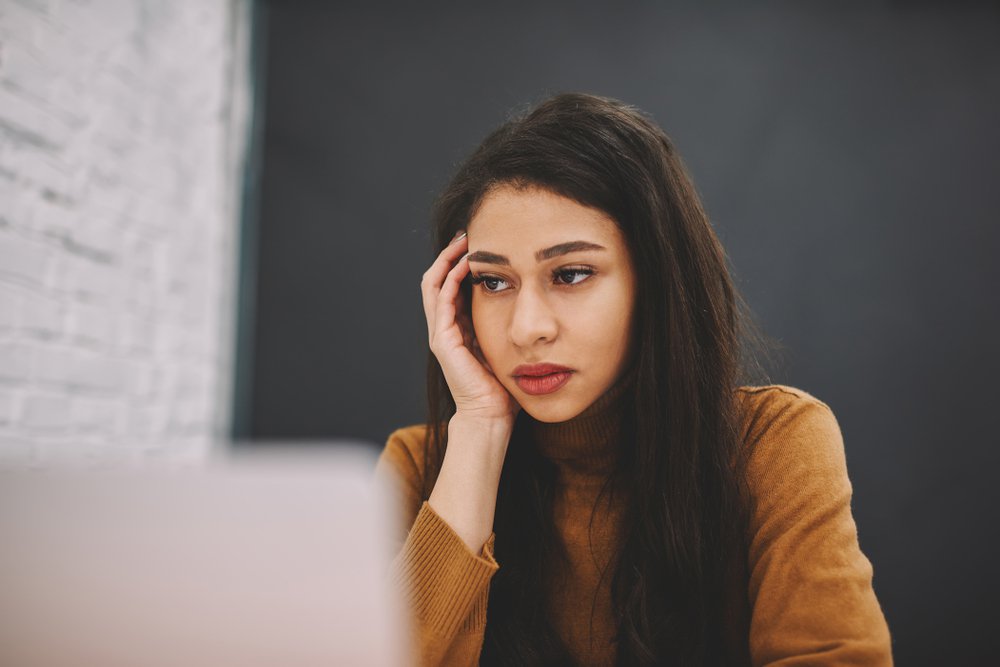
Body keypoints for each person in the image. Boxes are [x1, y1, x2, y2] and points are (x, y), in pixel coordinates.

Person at [376, 92, 892, 666]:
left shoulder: (772, 443)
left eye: (571, 274)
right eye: (493, 282)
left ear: (656, 280)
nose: (527, 329)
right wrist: (478, 430)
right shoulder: (422, 467)